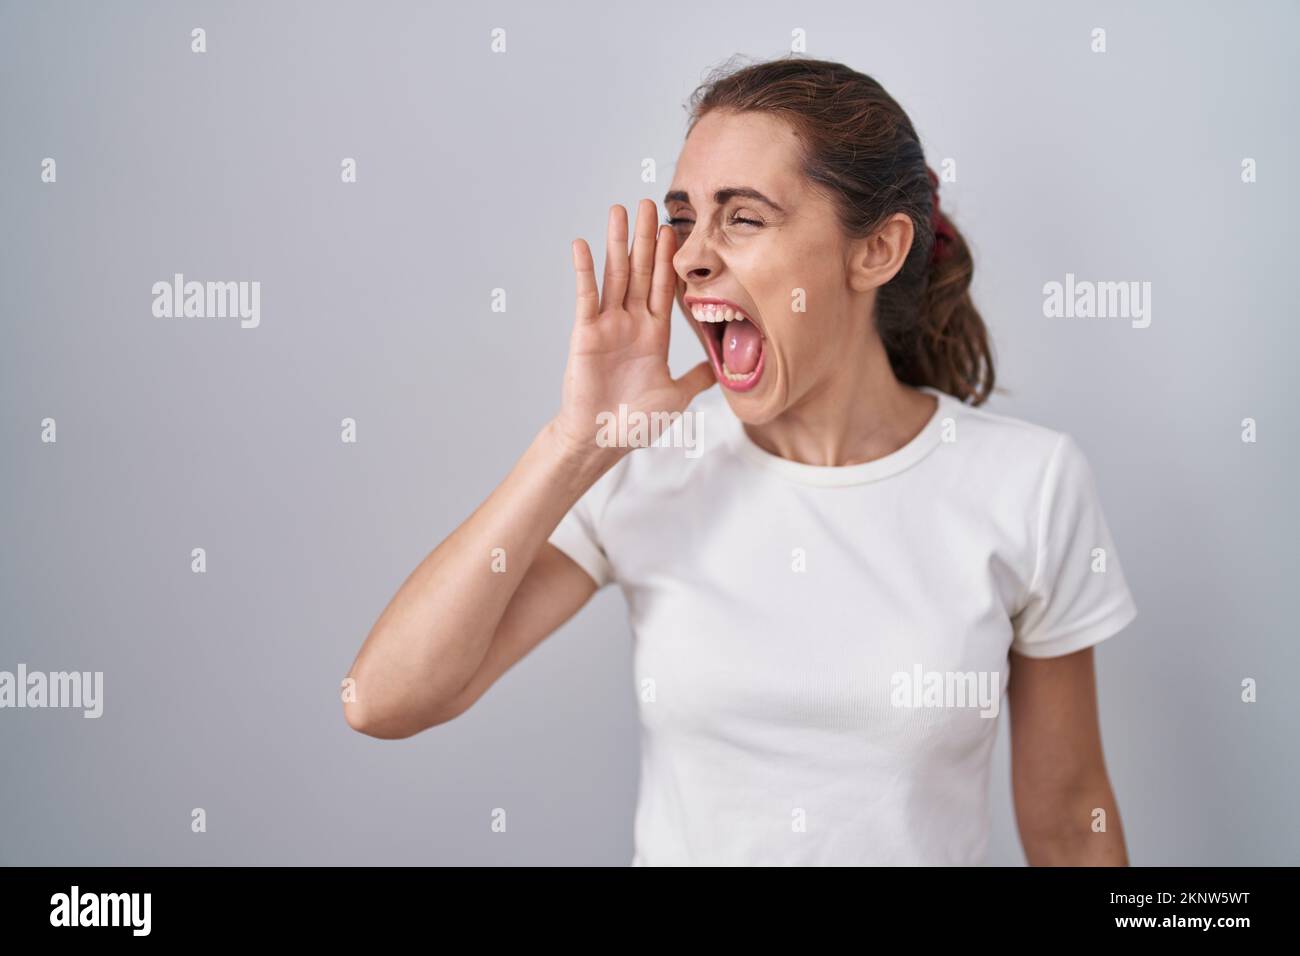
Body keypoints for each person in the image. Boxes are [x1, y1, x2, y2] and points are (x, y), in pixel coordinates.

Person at [343, 56, 1139, 866]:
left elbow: (1073, 822)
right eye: (684, 217)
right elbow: (382, 700)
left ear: (877, 251)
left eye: (745, 218)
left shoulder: (1029, 485)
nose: (688, 258)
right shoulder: (646, 465)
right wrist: (574, 447)